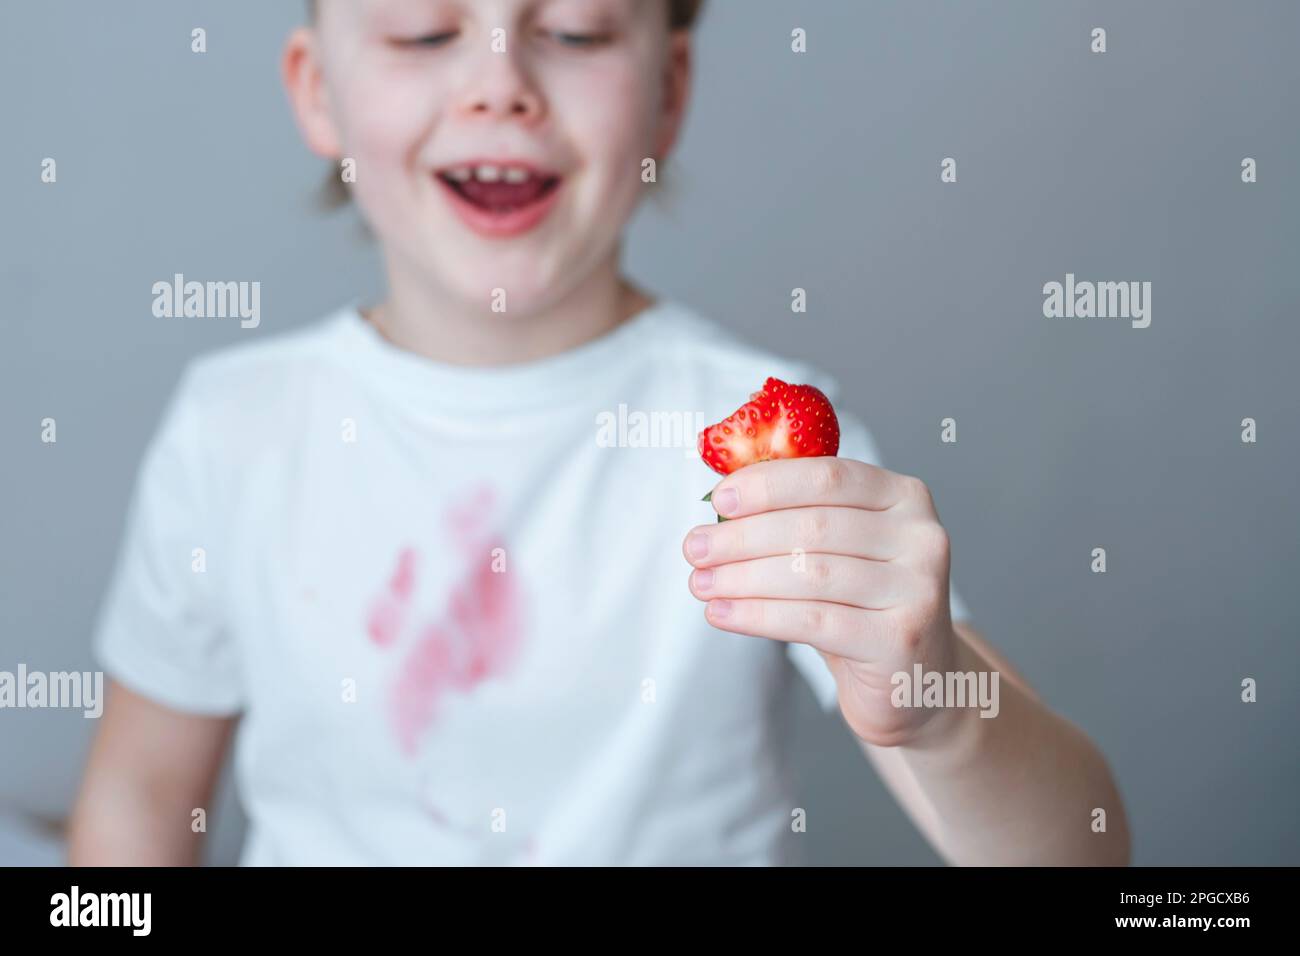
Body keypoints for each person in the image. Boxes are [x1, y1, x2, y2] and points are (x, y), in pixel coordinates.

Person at [69, 0, 1129, 866]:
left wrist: (939, 708)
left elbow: (1077, 852)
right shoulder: (233, 427)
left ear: (668, 92)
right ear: (317, 89)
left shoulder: (766, 439)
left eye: (573, 31)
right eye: (422, 33)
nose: (499, 83)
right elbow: (139, 804)